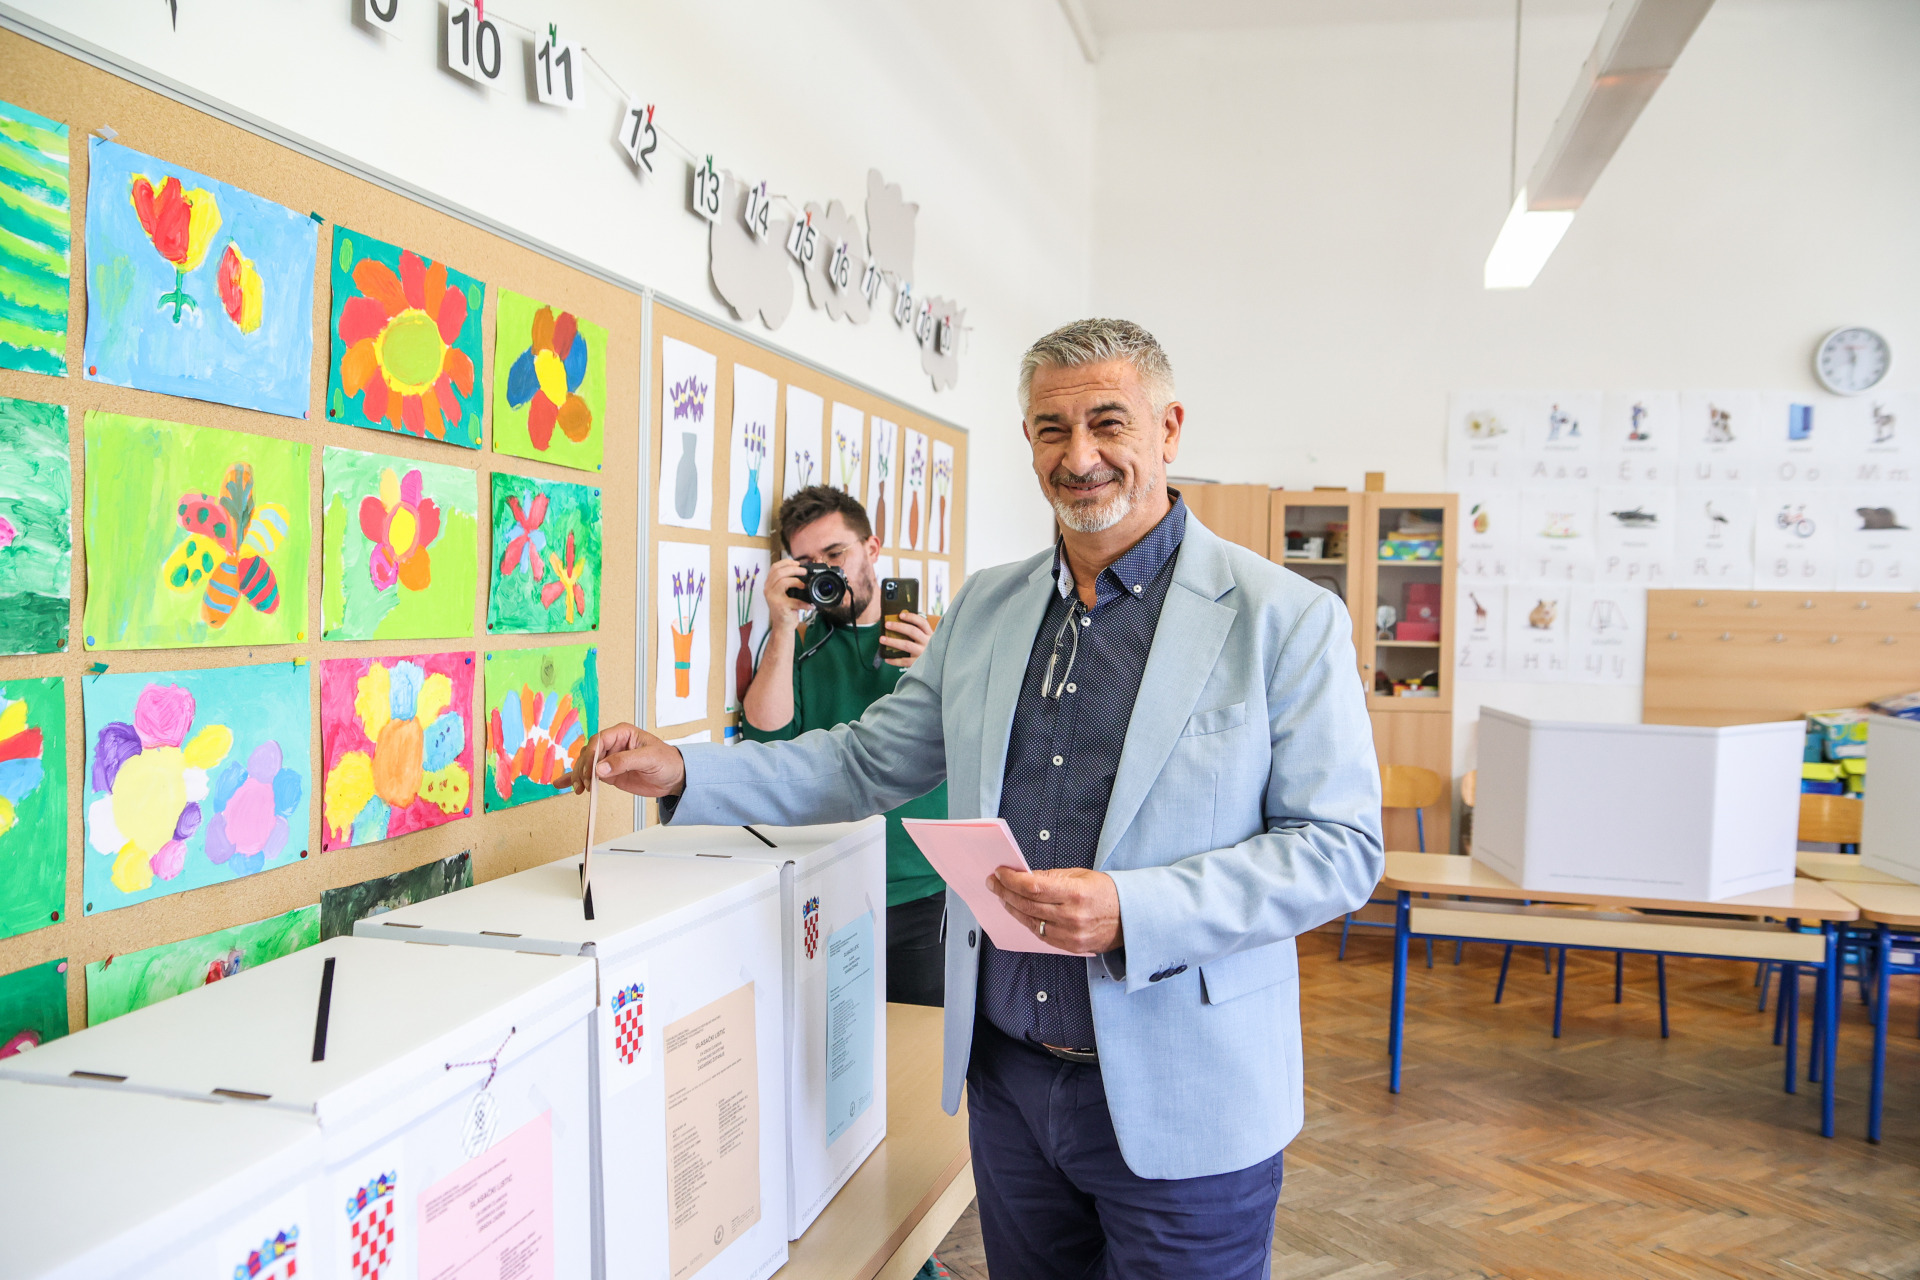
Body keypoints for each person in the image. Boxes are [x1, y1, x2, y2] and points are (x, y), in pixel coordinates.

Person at [567, 319, 1383, 1279]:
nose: (1079, 458)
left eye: (1107, 424)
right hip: (1010, 1089)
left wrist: (1133, 908)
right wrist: (686, 772)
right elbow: (867, 763)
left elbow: (1336, 848)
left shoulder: (1284, 619)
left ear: (1168, 429)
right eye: (1050, 430)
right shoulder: (988, 611)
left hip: (1186, 1093)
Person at [742, 484, 950, 1007]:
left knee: (922, 1053)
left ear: (871, 550)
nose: (827, 571)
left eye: (836, 554)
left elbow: (981, 738)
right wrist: (783, 626)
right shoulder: (798, 647)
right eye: (808, 563)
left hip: (923, 888)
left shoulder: (936, 639)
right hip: (827, 886)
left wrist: (938, 670)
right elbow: (767, 741)